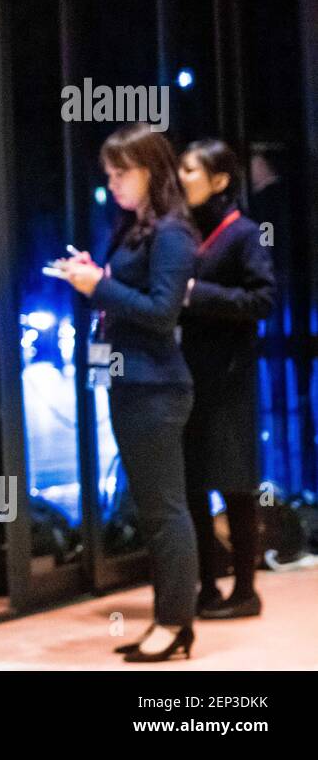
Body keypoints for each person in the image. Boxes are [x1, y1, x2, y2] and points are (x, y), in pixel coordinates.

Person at [52, 123, 198, 663]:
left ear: (150, 170)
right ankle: (168, 620)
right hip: (130, 380)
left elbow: (162, 313)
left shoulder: (173, 232)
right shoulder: (137, 229)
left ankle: (175, 622)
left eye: (121, 173)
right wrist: (94, 279)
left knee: (164, 512)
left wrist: (100, 285)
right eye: (109, 175)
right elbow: (125, 304)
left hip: (155, 385)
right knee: (156, 510)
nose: (112, 184)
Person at [177, 139, 274, 619]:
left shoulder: (245, 234)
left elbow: (262, 300)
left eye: (190, 171)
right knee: (192, 483)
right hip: (188, 376)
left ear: (219, 180)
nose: (180, 178)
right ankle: (206, 586)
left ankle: (245, 589)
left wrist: (197, 294)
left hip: (230, 378)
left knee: (235, 483)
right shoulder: (182, 231)